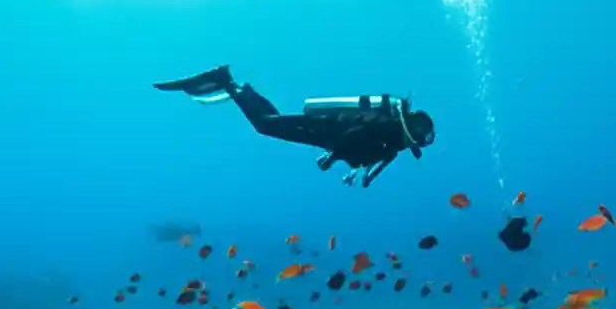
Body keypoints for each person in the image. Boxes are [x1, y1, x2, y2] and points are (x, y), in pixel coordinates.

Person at [154, 65, 435, 188]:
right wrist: (333, 157)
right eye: (423, 138)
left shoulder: (394, 142)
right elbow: (356, 136)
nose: (419, 143)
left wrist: (354, 171)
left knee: (269, 124)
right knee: (266, 125)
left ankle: (240, 89)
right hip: (323, 129)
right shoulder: (389, 132)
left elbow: (369, 160)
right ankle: (227, 82)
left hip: (324, 134)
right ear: (416, 131)